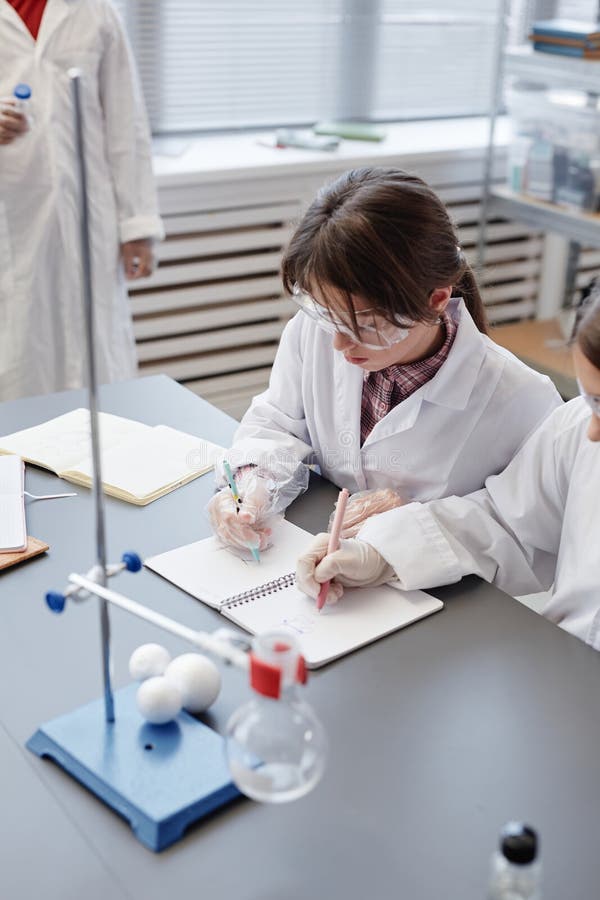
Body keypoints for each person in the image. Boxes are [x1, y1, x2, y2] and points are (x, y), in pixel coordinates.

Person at [209, 167, 561, 557]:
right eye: (328, 316)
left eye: (366, 324)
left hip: (435, 592)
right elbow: (277, 422)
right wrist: (254, 482)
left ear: (436, 300)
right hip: (320, 561)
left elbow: (531, 529)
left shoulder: (522, 399)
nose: (339, 342)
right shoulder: (315, 331)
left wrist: (418, 524)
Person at [296, 297, 600, 649]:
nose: (593, 431)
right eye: (590, 398)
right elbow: (507, 521)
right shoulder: (577, 429)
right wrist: (383, 551)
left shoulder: (522, 391)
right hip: (566, 665)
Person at [0, 0, 163, 401]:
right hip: (10, 216)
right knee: (17, 347)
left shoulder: (95, 10)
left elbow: (127, 123)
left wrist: (137, 226)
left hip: (85, 214)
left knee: (91, 350)